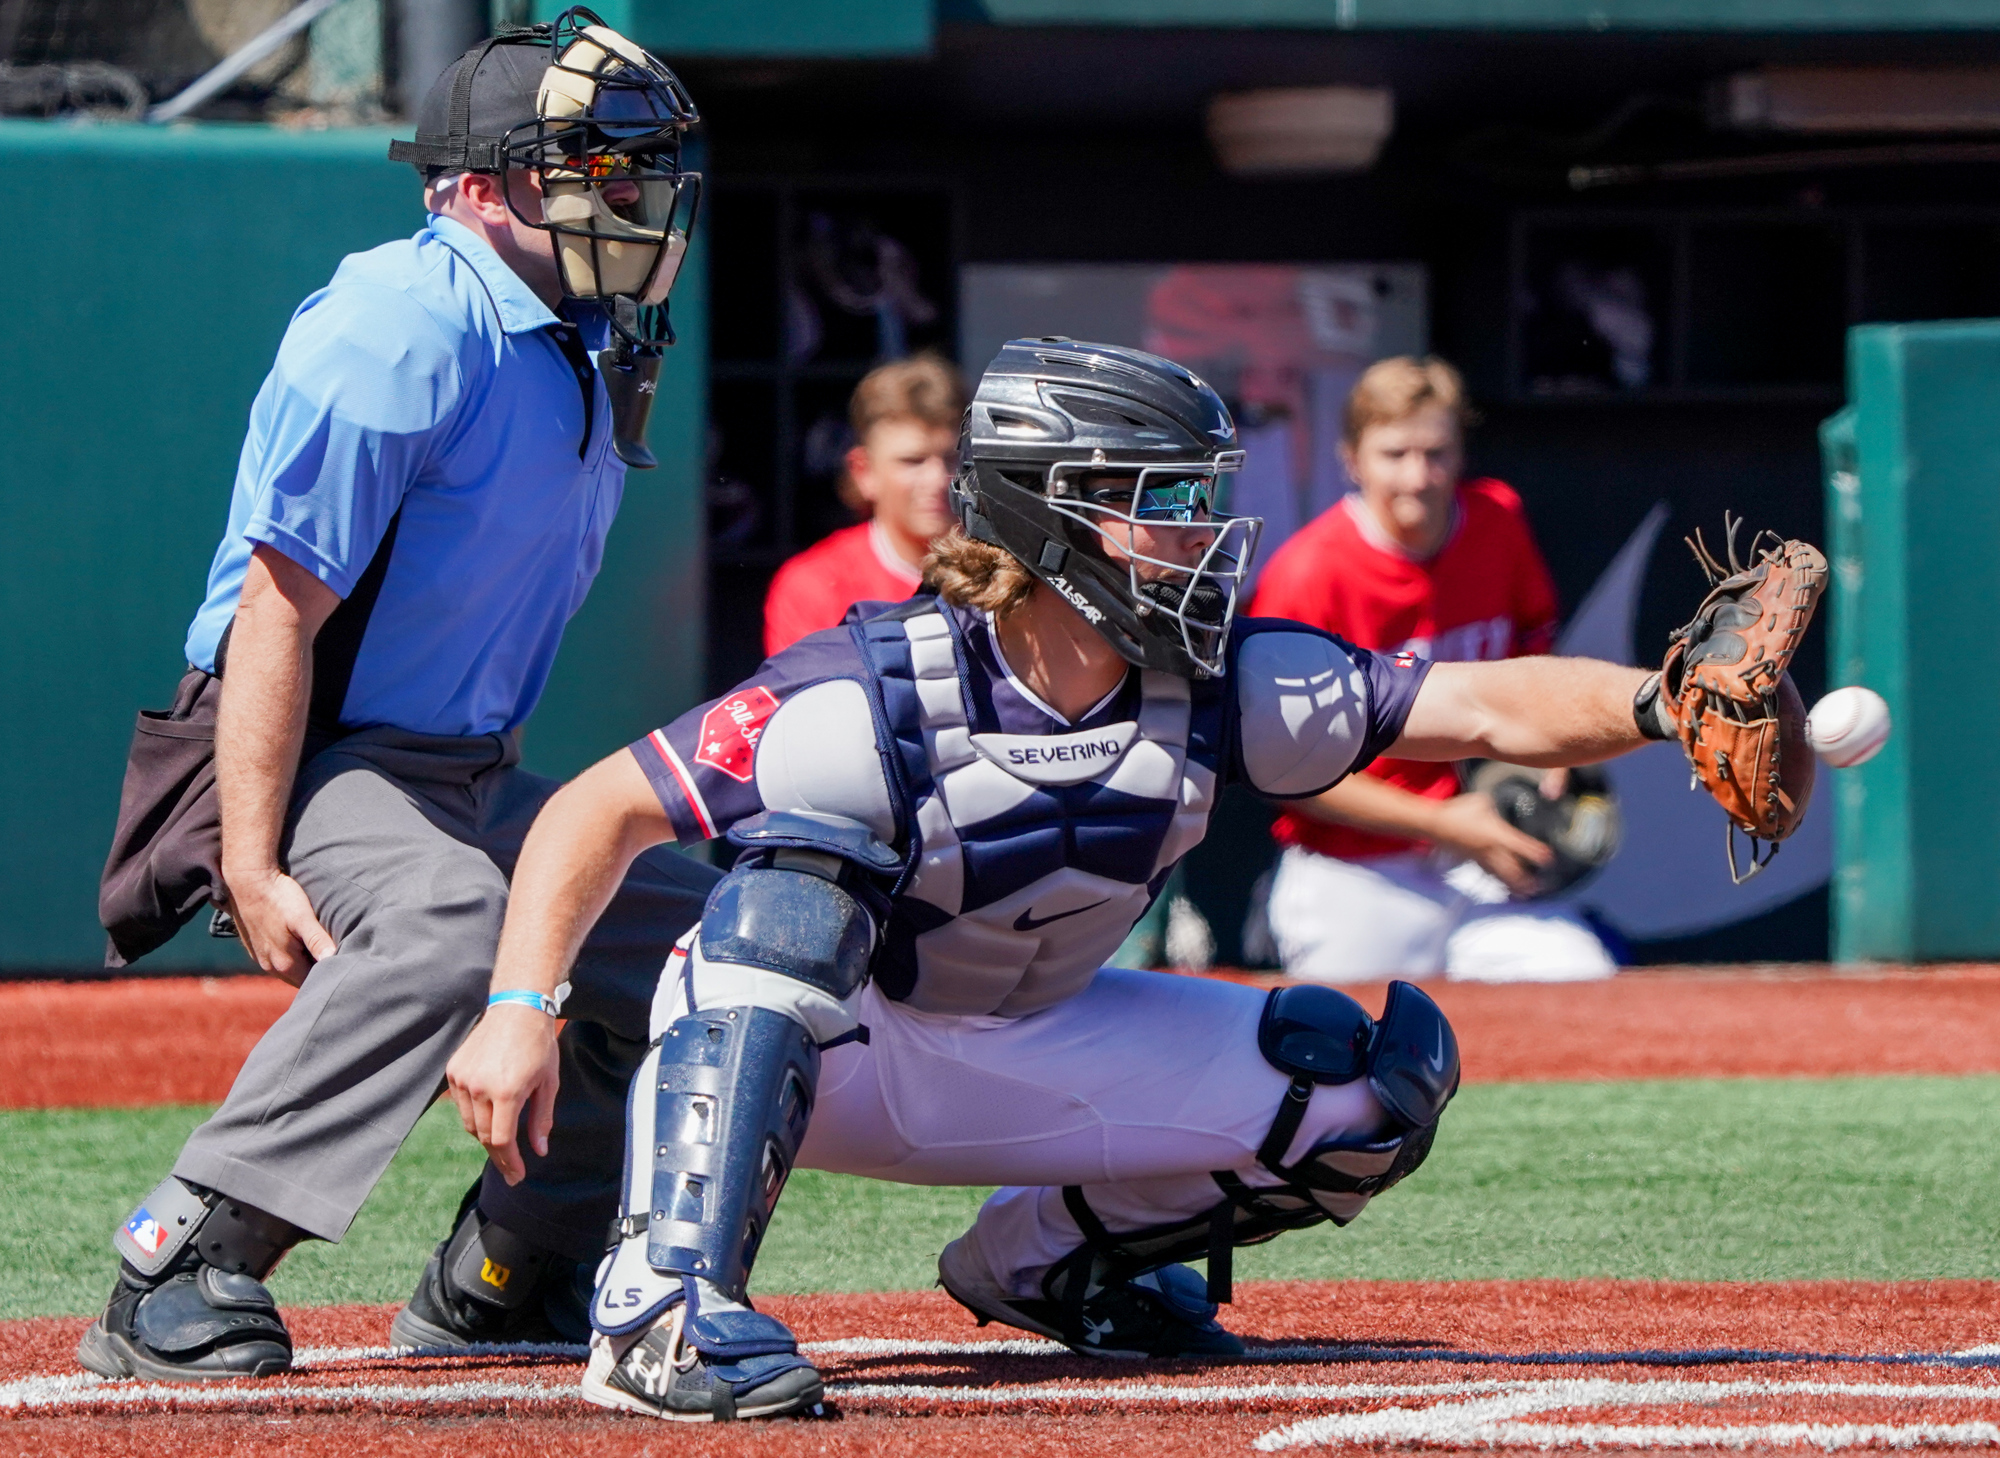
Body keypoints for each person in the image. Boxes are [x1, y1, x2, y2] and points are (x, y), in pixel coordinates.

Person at [442, 338, 1688, 1423]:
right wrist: (517, 1011)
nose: (1201, 532)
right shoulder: (873, 689)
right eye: (1166, 498)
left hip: (1039, 1044)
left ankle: (1041, 1269)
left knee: (1363, 1084)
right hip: (841, 1058)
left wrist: (1662, 703)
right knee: (790, 894)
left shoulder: (1213, 682)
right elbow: (597, 807)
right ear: (1053, 513)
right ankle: (662, 1308)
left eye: (1201, 496)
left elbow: (1477, 702)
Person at [77, 13, 723, 1383]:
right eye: (597, 169)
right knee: (452, 923)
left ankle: (508, 1267)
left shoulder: (581, 324)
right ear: (481, 189)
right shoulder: (400, 317)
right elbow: (276, 610)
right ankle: (180, 1259)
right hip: (301, 742)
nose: (635, 198)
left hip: (463, 764)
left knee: (708, 937)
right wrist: (249, 858)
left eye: (641, 168)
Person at [1248, 357, 1617, 984]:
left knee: (1580, 979)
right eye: (1394, 454)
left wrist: (1548, 748)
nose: (1418, 477)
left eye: (1437, 452)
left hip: (1484, 847)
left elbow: (1534, 643)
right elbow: (1280, 772)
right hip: (1357, 868)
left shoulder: (1496, 520)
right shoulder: (1306, 575)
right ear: (1352, 460)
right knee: (1344, 1041)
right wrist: (1442, 822)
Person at [762, 352, 965, 655]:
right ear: (863, 472)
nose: (938, 479)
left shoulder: (1009, 574)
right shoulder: (813, 587)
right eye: (913, 461)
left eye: (951, 458)